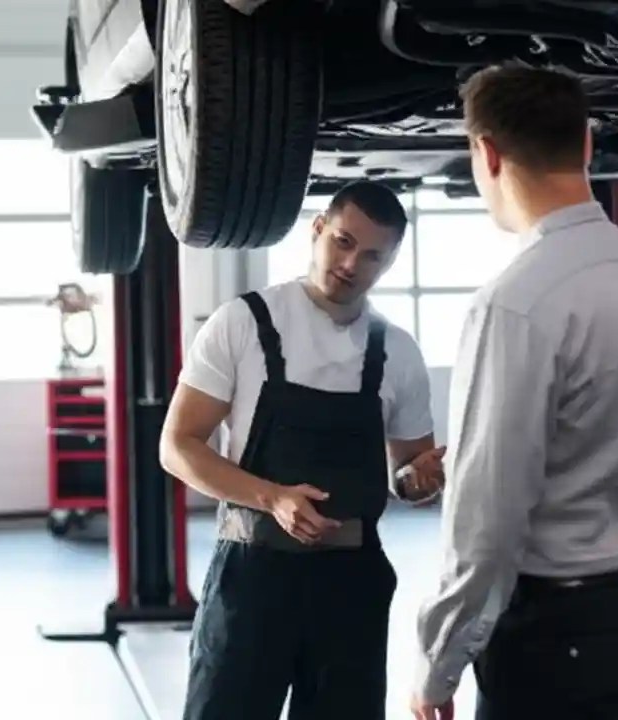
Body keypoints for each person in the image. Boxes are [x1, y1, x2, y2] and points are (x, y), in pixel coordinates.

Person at [410, 64, 618, 720]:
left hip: (562, 637)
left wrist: (439, 665)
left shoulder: (516, 302)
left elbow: (485, 524)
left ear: (485, 153)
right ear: (588, 144)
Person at [159, 181, 447, 720]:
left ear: (388, 263)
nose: (350, 263)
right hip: (252, 578)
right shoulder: (243, 323)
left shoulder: (397, 351)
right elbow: (177, 446)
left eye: (371, 256)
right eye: (342, 241)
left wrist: (423, 479)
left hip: (351, 586)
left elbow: (407, 475)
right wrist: (271, 498)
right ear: (317, 229)